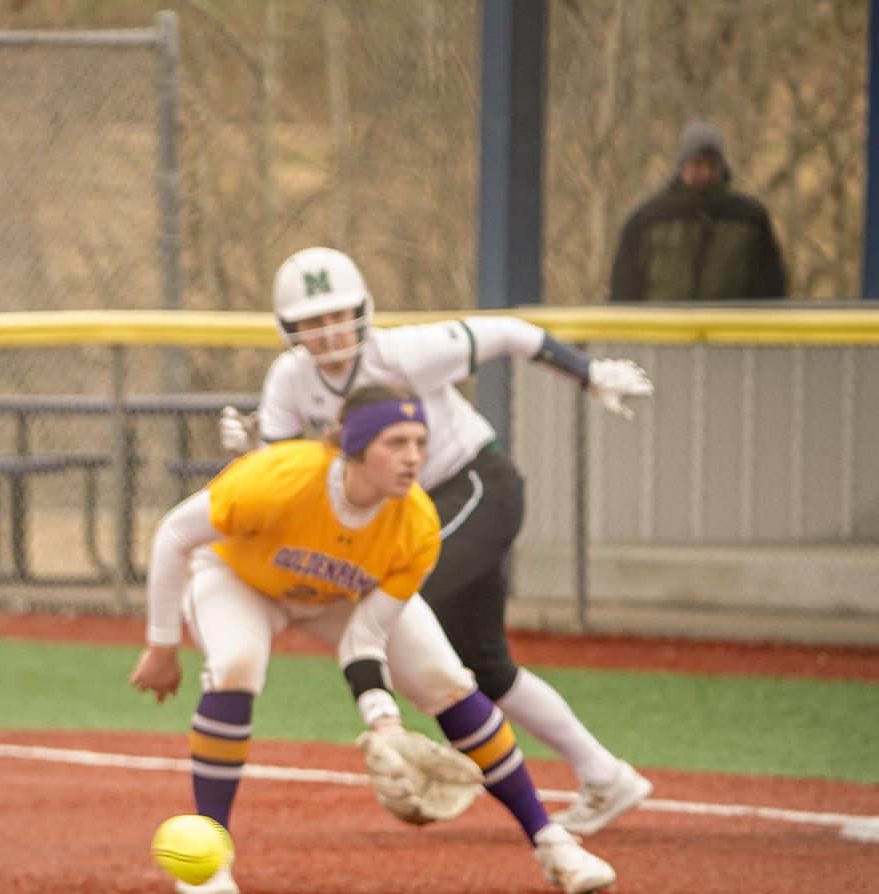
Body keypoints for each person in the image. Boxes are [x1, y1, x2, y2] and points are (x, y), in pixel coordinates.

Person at [220, 247, 655, 837]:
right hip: (410, 512)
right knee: (487, 667)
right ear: (288, 327)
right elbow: (289, 476)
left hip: (473, 485)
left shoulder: (401, 353)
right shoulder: (290, 378)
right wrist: (254, 451)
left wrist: (588, 373)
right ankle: (605, 774)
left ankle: (410, 725)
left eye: (339, 315)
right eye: (312, 321)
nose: (329, 332)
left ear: (362, 311)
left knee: (394, 611)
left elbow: (509, 332)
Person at [138, 383, 617, 894]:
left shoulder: (417, 525)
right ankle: (212, 854)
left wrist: (383, 720)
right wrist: (162, 646)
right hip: (240, 577)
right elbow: (173, 535)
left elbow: (364, 637)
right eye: (396, 442)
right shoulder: (281, 478)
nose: (413, 457)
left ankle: (552, 843)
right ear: (357, 445)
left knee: (446, 681)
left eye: (420, 442)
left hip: (343, 597)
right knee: (236, 664)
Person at [609, 116, 788, 302]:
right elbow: (624, 289)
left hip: (729, 321)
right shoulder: (648, 219)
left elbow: (772, 291)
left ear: (723, 167)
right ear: (682, 165)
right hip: (664, 321)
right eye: (698, 163)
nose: (706, 173)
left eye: (713, 165)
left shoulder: (750, 218)